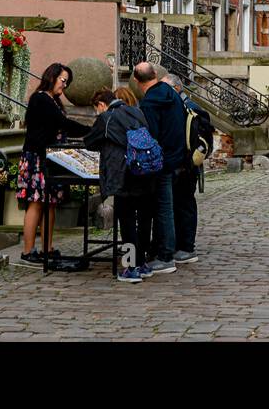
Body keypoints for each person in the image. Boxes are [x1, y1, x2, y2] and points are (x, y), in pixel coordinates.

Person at [83, 87, 157, 284]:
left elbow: (89, 142)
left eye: (96, 108)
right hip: (145, 171)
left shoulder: (107, 117)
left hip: (124, 174)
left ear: (101, 104)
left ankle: (130, 267)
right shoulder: (137, 111)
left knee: (126, 221)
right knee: (143, 220)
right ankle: (141, 263)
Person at [18, 63, 87, 265]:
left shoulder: (52, 101)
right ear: (52, 77)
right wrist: (91, 130)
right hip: (37, 157)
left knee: (50, 204)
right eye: (63, 80)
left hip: (48, 157)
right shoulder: (41, 98)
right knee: (36, 203)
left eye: (66, 82)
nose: (64, 86)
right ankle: (28, 251)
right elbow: (63, 124)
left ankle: (47, 248)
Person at [137, 62, 185, 274]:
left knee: (163, 208)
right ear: (155, 74)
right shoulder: (170, 93)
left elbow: (150, 136)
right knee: (166, 207)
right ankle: (161, 250)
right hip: (176, 156)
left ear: (138, 82)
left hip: (161, 161)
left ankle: (165, 256)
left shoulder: (149, 102)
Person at [165, 75, 201, 266]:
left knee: (185, 204)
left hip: (186, 166)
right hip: (180, 164)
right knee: (178, 204)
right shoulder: (178, 108)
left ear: (177, 88)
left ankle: (187, 246)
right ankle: (180, 243)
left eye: (167, 88)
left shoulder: (190, 109)